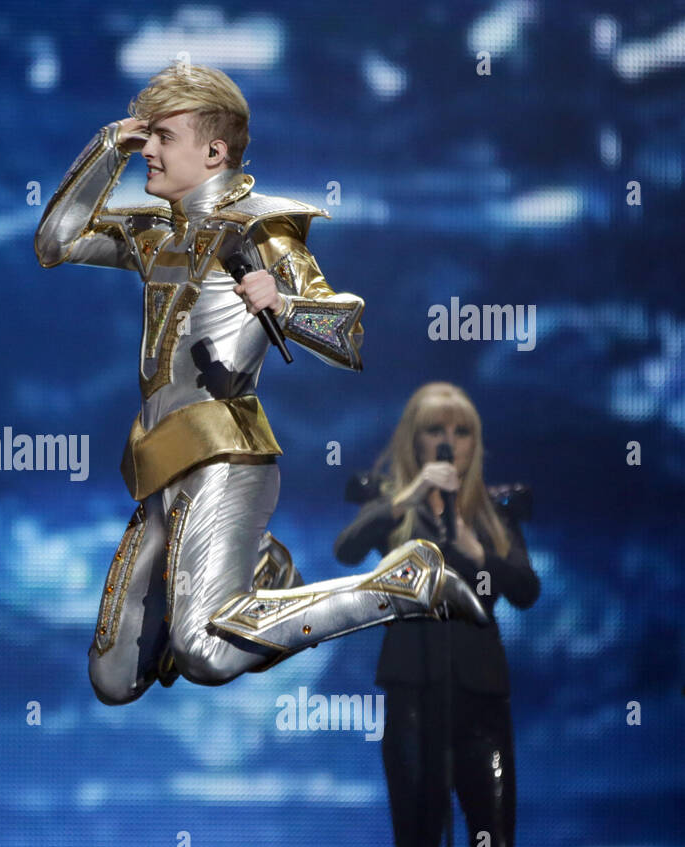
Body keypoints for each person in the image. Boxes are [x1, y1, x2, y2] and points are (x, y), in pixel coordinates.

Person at [34, 61, 487, 706]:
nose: (149, 151)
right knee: (112, 679)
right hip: (161, 465)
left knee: (207, 653)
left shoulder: (262, 228)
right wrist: (109, 145)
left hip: (225, 457)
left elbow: (349, 339)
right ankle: (258, 562)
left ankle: (401, 585)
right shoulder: (153, 231)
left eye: (164, 137)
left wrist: (283, 306)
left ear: (215, 151)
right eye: (148, 137)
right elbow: (56, 241)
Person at [334, 381, 540, 847]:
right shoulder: (393, 508)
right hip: (414, 700)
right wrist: (408, 493)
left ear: (475, 442)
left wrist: (477, 550)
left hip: (481, 705)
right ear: (414, 440)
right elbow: (347, 548)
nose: (450, 442)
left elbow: (525, 591)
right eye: (435, 430)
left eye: (461, 431)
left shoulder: (495, 514)